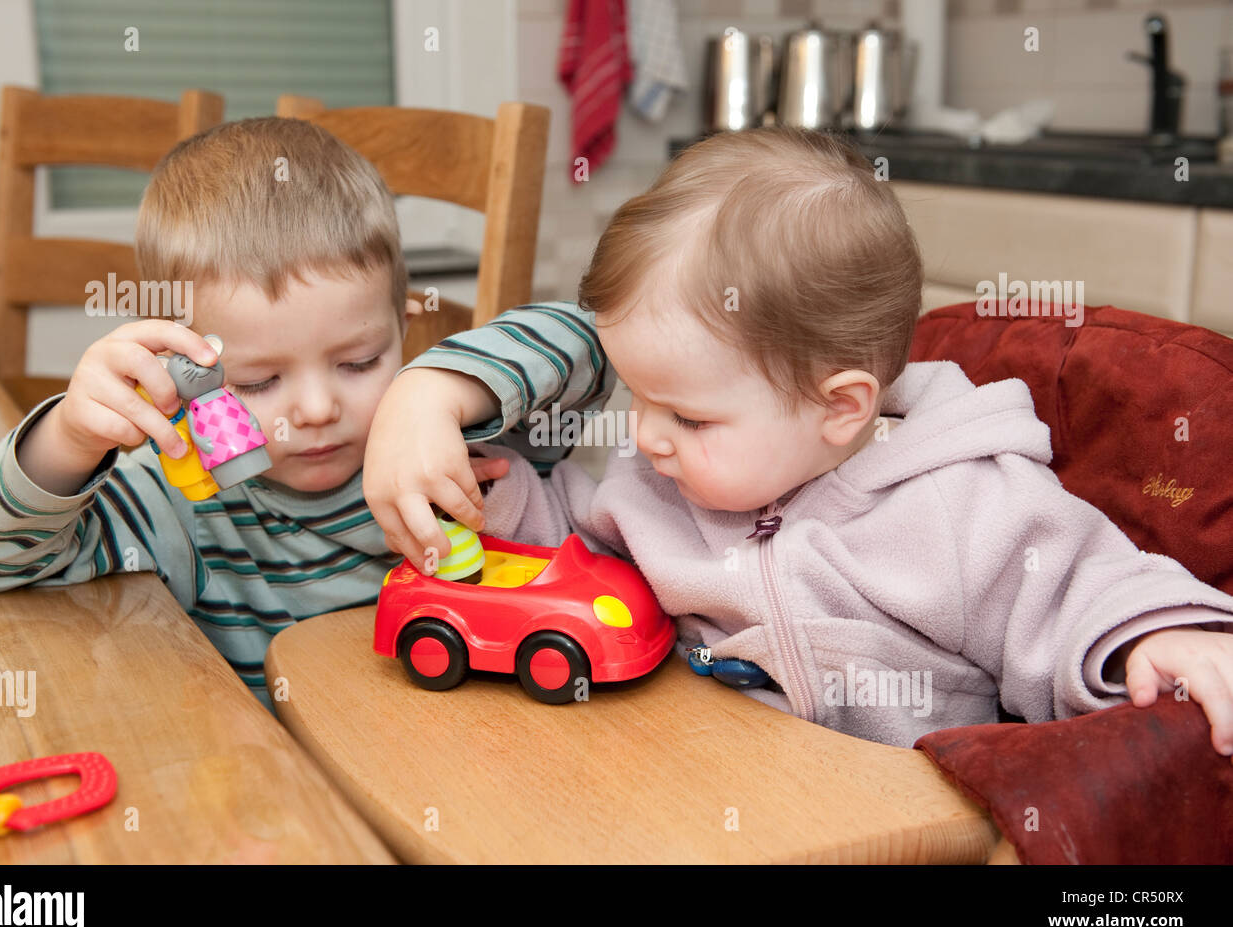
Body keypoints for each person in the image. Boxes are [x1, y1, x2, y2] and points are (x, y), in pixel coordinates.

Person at [363, 126, 1233, 756]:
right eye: (640, 398)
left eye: (688, 416)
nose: (646, 437)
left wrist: (1155, 638)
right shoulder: (660, 485)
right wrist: (500, 493)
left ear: (841, 408)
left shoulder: (963, 503)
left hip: (906, 831)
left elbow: (1083, 584)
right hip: (718, 795)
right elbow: (579, 546)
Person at [0, 117, 576, 713]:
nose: (318, 408)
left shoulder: (454, 440)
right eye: (258, 381)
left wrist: (434, 393)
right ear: (182, 378)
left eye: (358, 363)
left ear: (402, 332)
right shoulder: (185, 506)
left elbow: (591, 339)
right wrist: (69, 439)